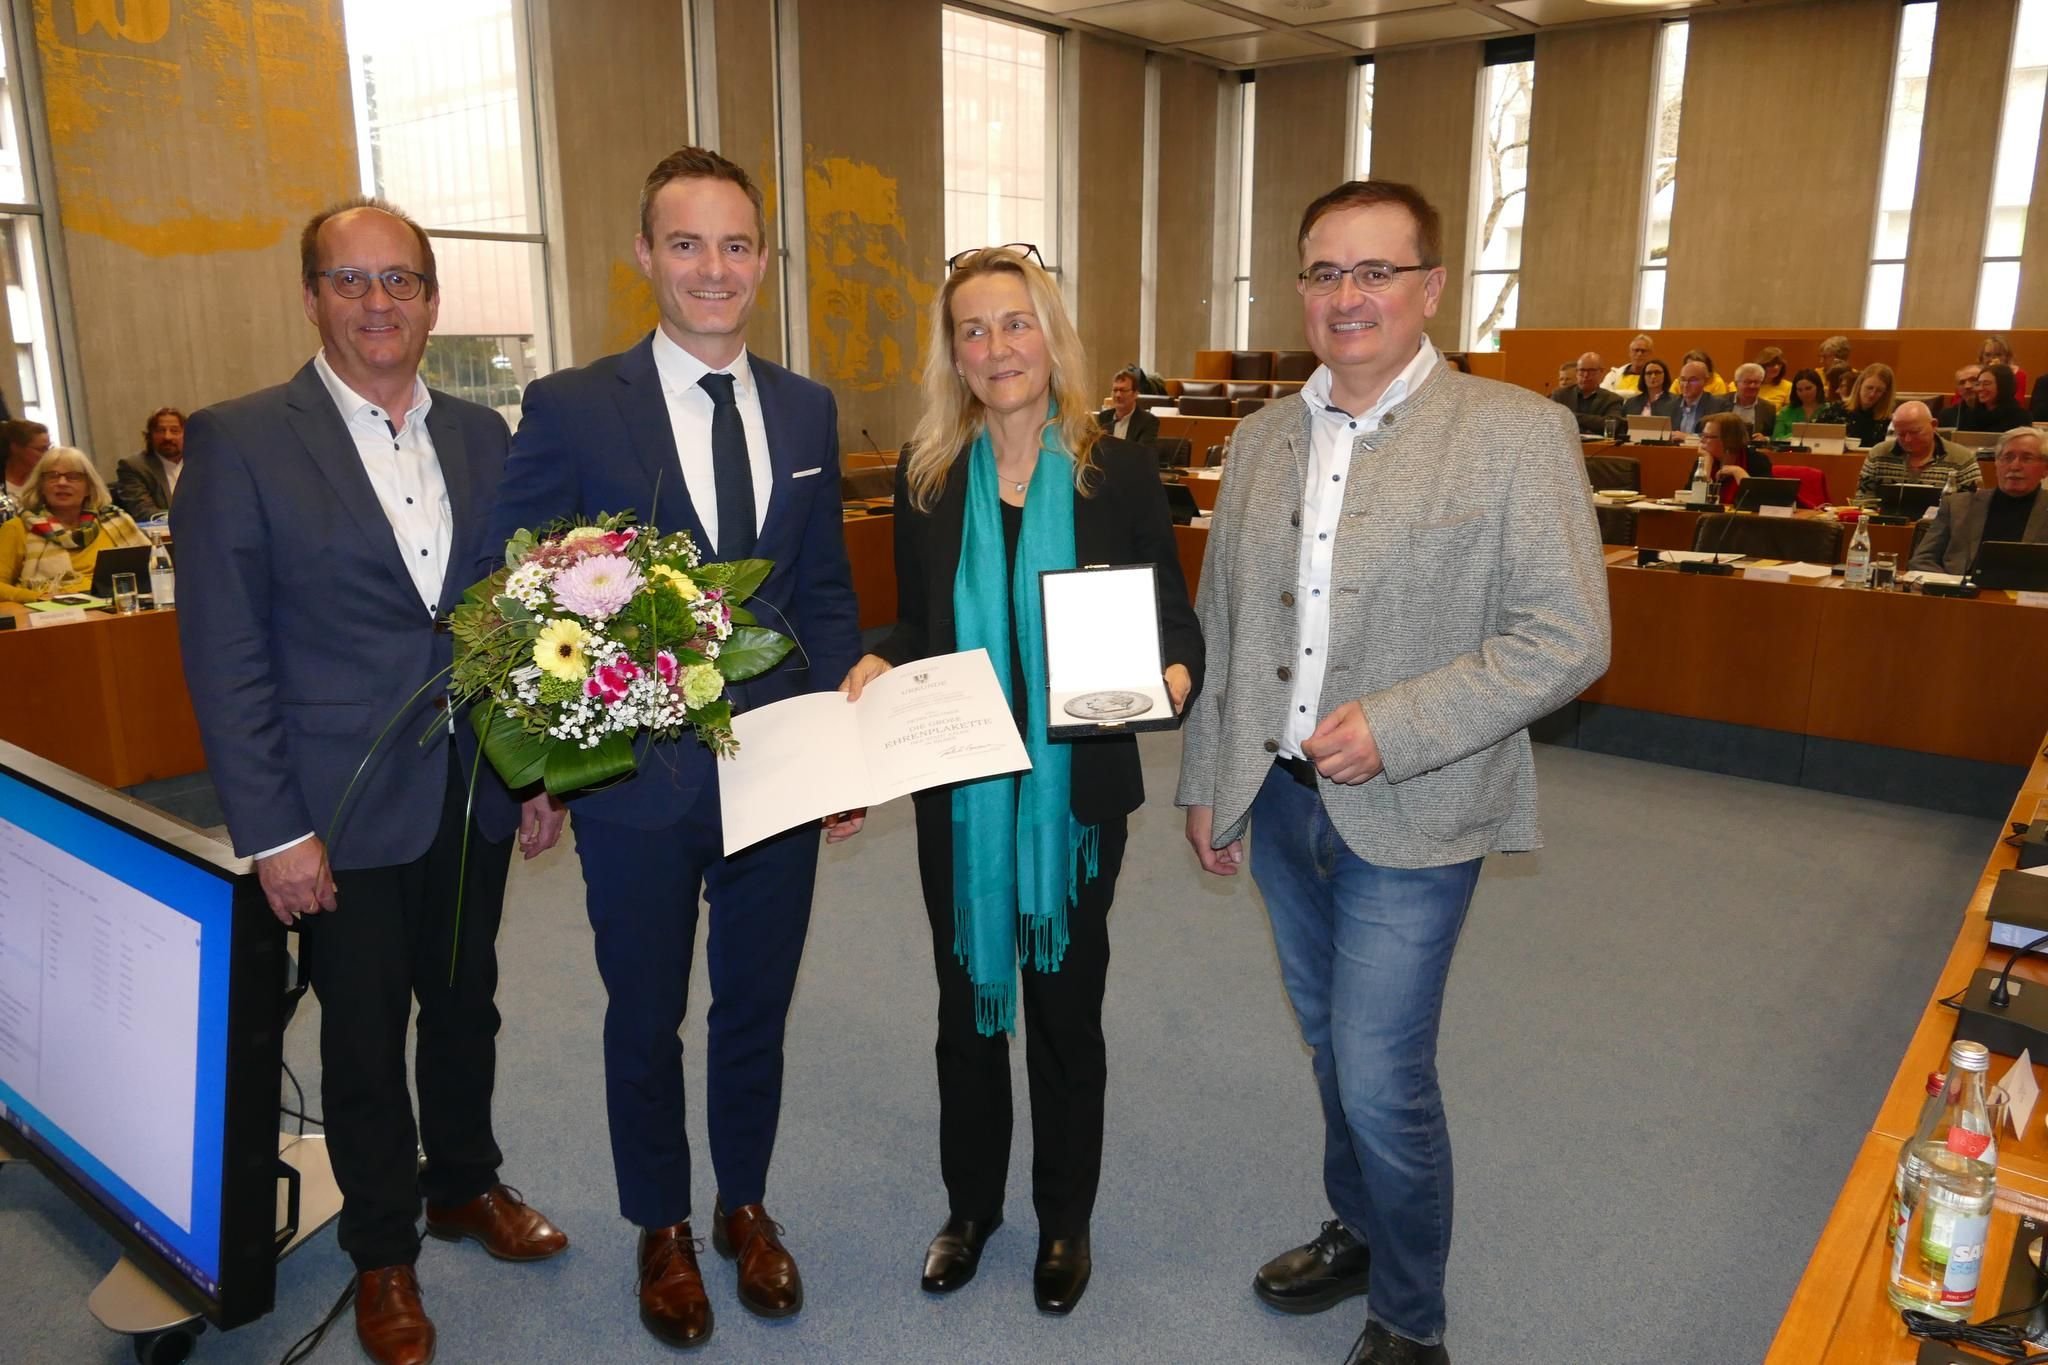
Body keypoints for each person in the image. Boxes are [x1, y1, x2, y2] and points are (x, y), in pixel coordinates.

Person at [1177, 179, 1609, 1365]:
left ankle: (1409, 1319)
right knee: (1328, 1040)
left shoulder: (1517, 432)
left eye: (1375, 271)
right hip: (1276, 807)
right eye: (1324, 272)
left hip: (1421, 810)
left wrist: (1402, 723)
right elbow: (1226, 627)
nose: (1347, 296)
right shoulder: (1261, 437)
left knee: (1378, 1069)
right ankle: (1356, 1226)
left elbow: (1567, 637)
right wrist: (1206, 781)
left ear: (1428, 289)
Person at [175, 198, 569, 1365]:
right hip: (332, 806)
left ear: (432, 297)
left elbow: (506, 617)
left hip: (468, 785)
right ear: (311, 297)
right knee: (360, 1033)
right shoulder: (242, 439)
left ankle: (463, 1184)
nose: (378, 303)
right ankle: (384, 1253)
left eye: (400, 281)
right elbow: (225, 651)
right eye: (350, 281)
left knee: (465, 1001)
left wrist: (534, 765)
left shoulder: (484, 437)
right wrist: (271, 828)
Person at [484, 146, 862, 1350]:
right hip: (637, 784)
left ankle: (741, 1200)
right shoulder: (571, 404)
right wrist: (541, 765)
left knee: (756, 1005)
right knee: (643, 1014)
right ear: (644, 254)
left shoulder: (806, 406)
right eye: (686, 244)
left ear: (764, 259)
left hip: (779, 772)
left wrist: (840, 746)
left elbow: (823, 592)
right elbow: (514, 589)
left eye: (736, 245)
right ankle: (661, 1225)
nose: (714, 269)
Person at [837, 245, 1203, 1315]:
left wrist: (1176, 667)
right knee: (965, 1011)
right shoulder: (926, 477)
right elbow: (917, 623)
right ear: (952, 354)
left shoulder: (1114, 469)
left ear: (1051, 337)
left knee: (1064, 1012)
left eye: (1014, 323)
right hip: (961, 793)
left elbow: (1168, 615)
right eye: (972, 330)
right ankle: (970, 1209)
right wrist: (876, 655)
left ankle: (1061, 1221)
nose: (995, 347)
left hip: (1074, 799)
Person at [0, 447, 150, 601]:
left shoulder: (116, 521)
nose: (62, 483)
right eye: (53, 476)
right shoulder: (17, 528)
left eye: (73, 477)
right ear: (41, 486)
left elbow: (152, 565)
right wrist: (38, 597)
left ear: (89, 487)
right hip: (49, 614)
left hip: (113, 609)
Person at [1909, 428, 2048, 574]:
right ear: (1996, 464)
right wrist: (1952, 586)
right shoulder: (1957, 506)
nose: (2015, 466)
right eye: (2007, 457)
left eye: (2027, 458)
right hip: (1961, 592)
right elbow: (1922, 560)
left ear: (2045, 468)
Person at [1854, 400, 1979, 499]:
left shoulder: (1962, 459)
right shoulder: (1878, 455)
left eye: (1915, 432)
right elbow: (1863, 500)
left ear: (1934, 425)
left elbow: (1973, 507)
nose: (1908, 439)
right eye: (1901, 434)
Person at [114, 407, 187, 520]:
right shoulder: (133, 467)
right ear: (150, 436)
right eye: (160, 431)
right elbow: (144, 513)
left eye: (174, 431)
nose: (167, 437)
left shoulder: (201, 463)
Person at [1700, 411, 1770, 504]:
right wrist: (1707, 464)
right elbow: (1694, 499)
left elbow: (1762, 500)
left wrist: (1737, 471)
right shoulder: (1703, 460)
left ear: (1729, 440)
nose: (1702, 440)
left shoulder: (1756, 460)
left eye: (1708, 436)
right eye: (1702, 435)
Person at [1548, 352, 1623, 434]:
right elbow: (1551, 421)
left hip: (1597, 445)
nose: (1586, 375)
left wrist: (1572, 416)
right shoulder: (1560, 395)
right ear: (1577, 372)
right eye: (1582, 370)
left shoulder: (1612, 399)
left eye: (1591, 371)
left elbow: (1611, 424)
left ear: (1601, 372)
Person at [1096, 365, 1160, 443]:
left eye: (1123, 390)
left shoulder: (1148, 421)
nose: (1118, 395)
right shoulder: (1103, 418)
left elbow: (1144, 453)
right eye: (1115, 390)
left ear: (1135, 394)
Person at [1960, 363, 2030, 433]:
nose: (1980, 389)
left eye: (1986, 383)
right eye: (1978, 384)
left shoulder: (2020, 417)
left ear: (2003, 386)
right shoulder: (1970, 415)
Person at [1842, 362, 1896, 448]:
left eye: (1879, 391)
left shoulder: (1889, 420)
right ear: (1859, 385)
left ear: (1886, 394)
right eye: (1869, 388)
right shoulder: (1835, 411)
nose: (1872, 394)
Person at [3, 418, 51, 511]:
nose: (47, 455)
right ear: (15, 447)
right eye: (40, 449)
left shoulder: (45, 480)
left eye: (48, 448)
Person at [1673, 359, 1727, 435]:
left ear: (1706, 381)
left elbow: (1717, 437)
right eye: (1683, 380)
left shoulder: (1718, 406)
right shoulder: (1670, 405)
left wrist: (1689, 438)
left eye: (1692, 380)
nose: (1686, 385)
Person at [1773, 368, 1831, 438]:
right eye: (1800, 390)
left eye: (1808, 388)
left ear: (1818, 387)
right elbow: (1776, 438)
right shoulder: (1786, 412)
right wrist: (1800, 435)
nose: (1804, 393)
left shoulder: (1829, 410)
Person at [1726, 363, 1776, 443]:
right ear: (1736, 384)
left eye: (1756, 382)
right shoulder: (1719, 402)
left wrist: (1765, 439)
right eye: (1747, 382)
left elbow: (1772, 435)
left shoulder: (1768, 408)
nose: (1752, 386)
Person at [1978, 335, 2029, 403]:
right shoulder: (1975, 373)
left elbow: (2018, 402)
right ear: (1981, 357)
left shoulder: (2018, 375)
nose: (1992, 359)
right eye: (1987, 355)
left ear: (2007, 357)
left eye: (1998, 355)